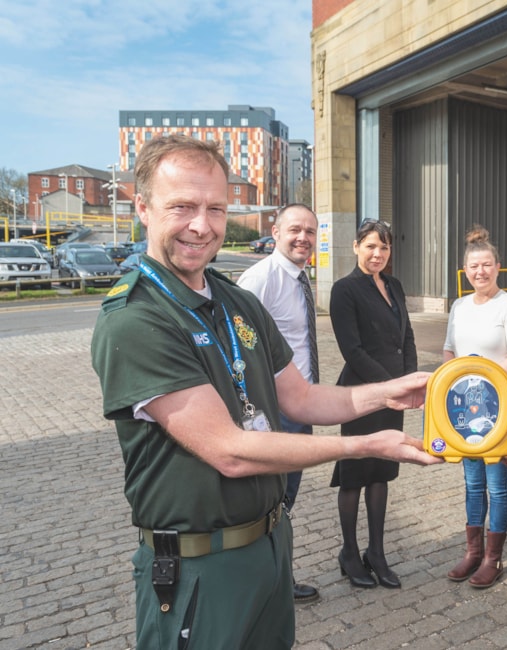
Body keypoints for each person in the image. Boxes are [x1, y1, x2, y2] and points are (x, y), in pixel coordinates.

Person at [90, 134, 440, 650]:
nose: (202, 225)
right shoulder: (137, 319)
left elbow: (299, 399)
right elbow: (230, 451)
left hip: (271, 545)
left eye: (215, 208)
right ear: (142, 206)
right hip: (199, 566)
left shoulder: (237, 302)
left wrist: (392, 392)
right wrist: (364, 445)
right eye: (181, 207)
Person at [236, 203, 321, 604]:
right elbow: (235, 346)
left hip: (300, 406)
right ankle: (268, 585)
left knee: (285, 500)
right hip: (276, 411)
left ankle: (275, 579)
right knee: (274, 500)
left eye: (310, 231)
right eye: (294, 230)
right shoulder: (260, 279)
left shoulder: (300, 278)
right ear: (275, 233)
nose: (302, 238)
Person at [329, 219, 418, 589]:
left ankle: (376, 553)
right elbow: (352, 349)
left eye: (383, 248)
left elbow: (407, 335)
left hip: (394, 395)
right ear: (355, 247)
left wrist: (409, 381)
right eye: (370, 247)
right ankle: (349, 553)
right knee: (355, 473)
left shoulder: (394, 285)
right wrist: (390, 385)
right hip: (362, 394)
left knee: (381, 472)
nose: (377, 254)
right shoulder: (344, 289)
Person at [442, 226, 507, 589]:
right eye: (474, 267)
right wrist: (456, 377)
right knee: (472, 482)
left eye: (487, 265)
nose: (481, 272)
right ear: (465, 271)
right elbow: (449, 352)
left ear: (498, 267)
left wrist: (483, 374)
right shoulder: (459, 306)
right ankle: (472, 552)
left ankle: (494, 558)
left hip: (499, 407)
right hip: (464, 407)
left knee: (497, 485)